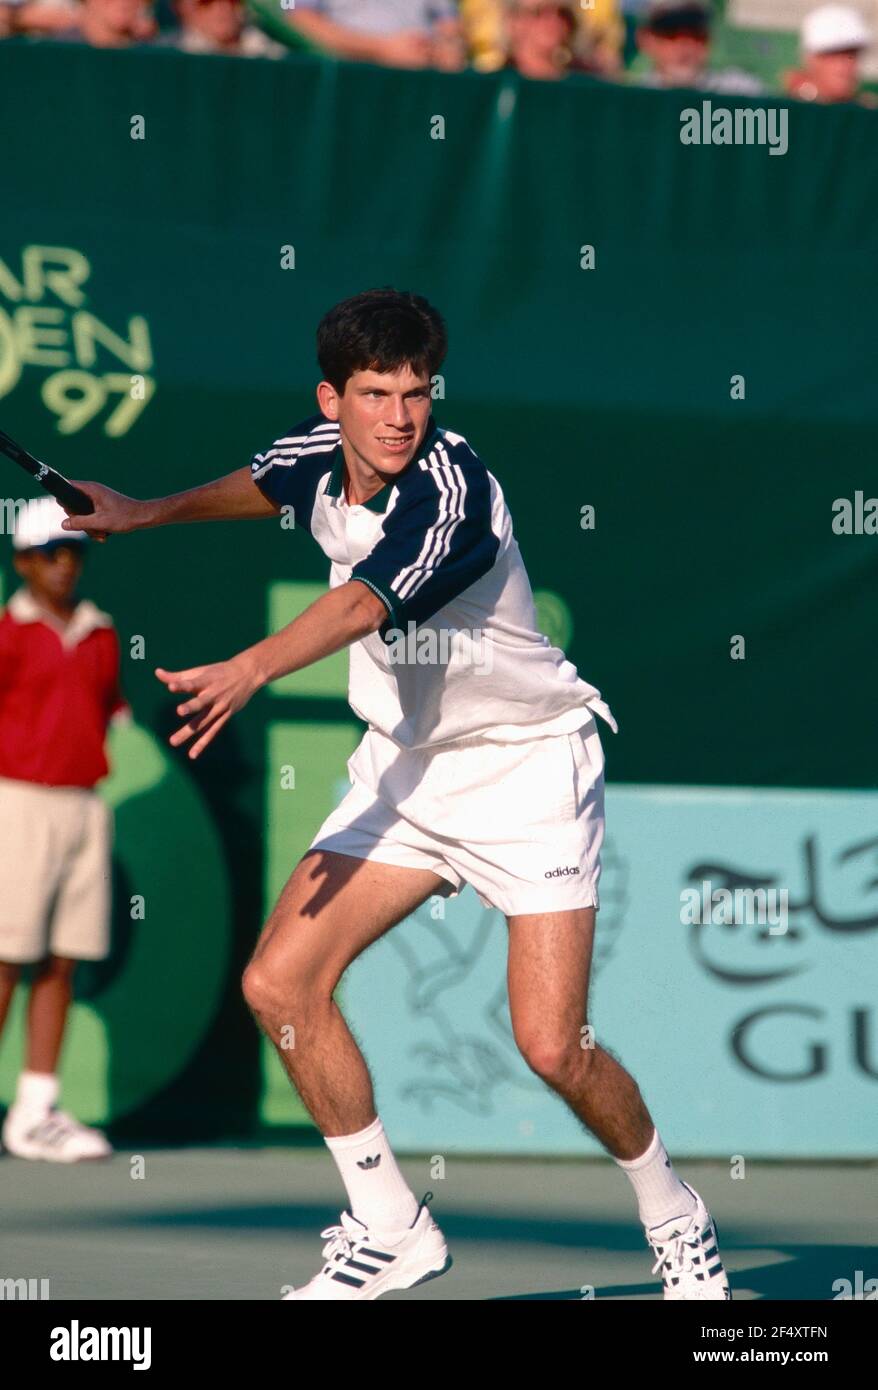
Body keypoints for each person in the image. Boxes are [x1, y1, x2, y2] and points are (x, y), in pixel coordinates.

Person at [61, 288, 731, 1300]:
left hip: (526, 767)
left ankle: (673, 1215)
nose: (399, 415)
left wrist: (249, 668)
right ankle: (389, 1225)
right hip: (409, 770)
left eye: (417, 391)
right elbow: (266, 481)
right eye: (375, 393)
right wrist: (142, 511)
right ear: (331, 398)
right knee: (277, 984)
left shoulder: (452, 493)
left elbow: (363, 598)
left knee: (551, 1044)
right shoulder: (313, 452)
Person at [0, 499, 129, 1163]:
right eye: (51, 552)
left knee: (60, 961)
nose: (64, 564)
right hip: (17, 804)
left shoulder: (102, 632)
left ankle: (33, 1113)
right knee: (5, 960)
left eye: (73, 552)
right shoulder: (7, 632)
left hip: (85, 808)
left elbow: (108, 711)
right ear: (22, 561)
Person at [282, 0, 466, 70]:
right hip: (349, 80)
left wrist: (445, 49)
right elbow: (296, 18)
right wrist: (381, 49)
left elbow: (449, 26)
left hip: (421, 81)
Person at [634, 0, 764, 95]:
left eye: (695, 34)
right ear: (647, 40)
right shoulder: (634, 99)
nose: (685, 46)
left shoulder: (740, 91)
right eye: (671, 33)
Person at [784, 4, 875, 106]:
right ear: (811, 59)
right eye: (834, 53)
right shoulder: (785, 110)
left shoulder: (865, 109)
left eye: (852, 54)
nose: (845, 65)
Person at [160, 0, 287, 57]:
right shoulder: (165, 53)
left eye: (232, 1)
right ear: (181, 7)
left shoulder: (272, 55)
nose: (223, 9)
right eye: (207, 2)